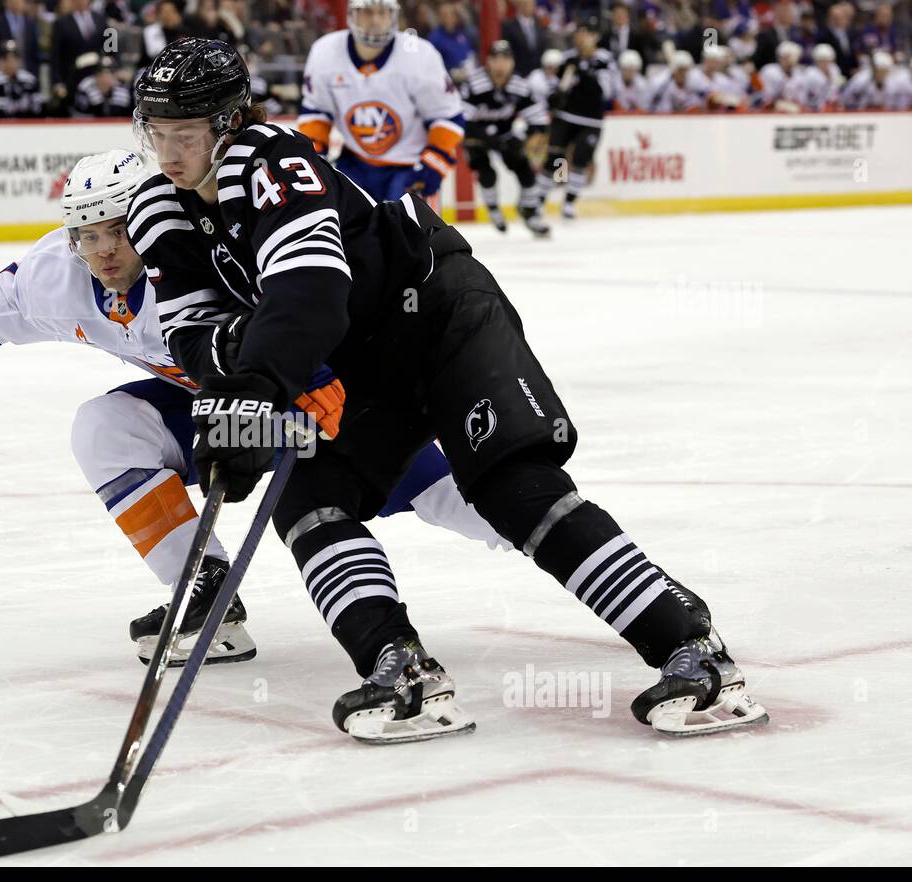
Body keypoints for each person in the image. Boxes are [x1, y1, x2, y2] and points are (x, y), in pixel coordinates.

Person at [128, 37, 769, 741]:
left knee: (511, 487)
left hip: (438, 311)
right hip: (362, 359)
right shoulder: (158, 206)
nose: (166, 153)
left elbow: (310, 292)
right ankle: (400, 672)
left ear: (227, 125)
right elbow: (194, 334)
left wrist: (254, 382)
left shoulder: (276, 162)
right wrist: (236, 396)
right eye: (154, 132)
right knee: (308, 496)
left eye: (183, 134)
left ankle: (693, 651)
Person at [0, 148, 508, 667]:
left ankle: (564, 548)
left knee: (457, 499)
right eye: (86, 233)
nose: (99, 250)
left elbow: (310, 302)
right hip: (217, 409)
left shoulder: (207, 246)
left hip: (327, 392)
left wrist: (313, 379)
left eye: (116, 230)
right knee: (103, 427)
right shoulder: (56, 276)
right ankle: (205, 592)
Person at [298, 0, 464, 204]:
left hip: (409, 166)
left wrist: (433, 163)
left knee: (412, 234)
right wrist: (314, 160)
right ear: (352, 15)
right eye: (367, 12)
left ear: (393, 16)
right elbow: (316, 112)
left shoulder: (419, 54)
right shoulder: (325, 51)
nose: (375, 20)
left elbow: (448, 117)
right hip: (354, 165)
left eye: (382, 13)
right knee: (346, 233)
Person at [459, 40, 550, 237]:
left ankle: (530, 213)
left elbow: (537, 117)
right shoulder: (475, 84)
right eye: (496, 60)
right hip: (476, 134)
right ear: (488, 62)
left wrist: (529, 135)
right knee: (487, 174)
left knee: (526, 172)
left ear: (512, 63)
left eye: (505, 60)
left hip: (506, 133)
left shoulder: (520, 85)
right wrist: (487, 137)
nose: (501, 65)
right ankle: (493, 209)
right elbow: (462, 119)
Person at [534, 15, 612, 220]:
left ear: (595, 37)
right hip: (567, 117)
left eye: (585, 33)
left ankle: (569, 203)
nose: (580, 37)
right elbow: (558, 87)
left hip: (591, 119)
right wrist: (555, 97)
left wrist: (584, 70)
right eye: (579, 33)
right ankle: (540, 201)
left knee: (580, 160)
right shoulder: (569, 58)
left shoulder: (602, 59)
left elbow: (604, 90)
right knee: (556, 159)